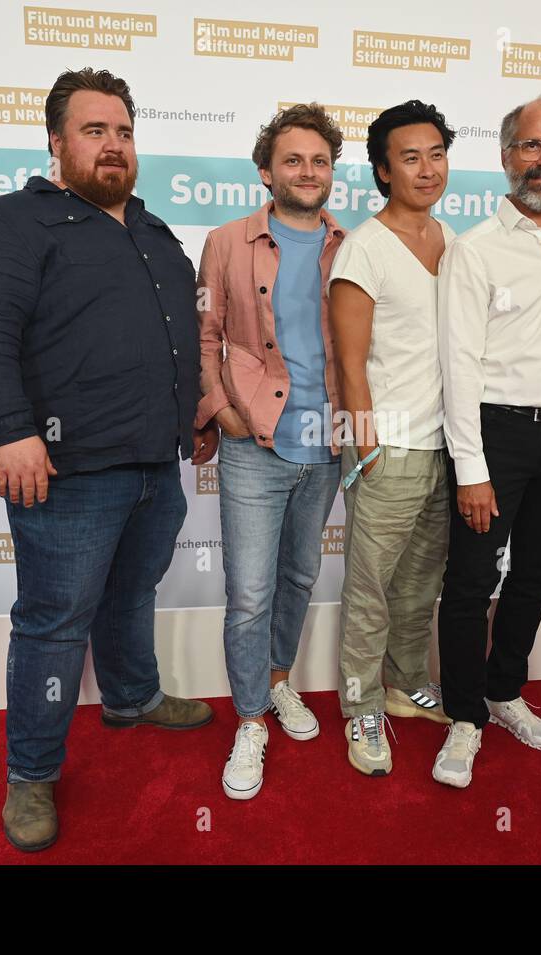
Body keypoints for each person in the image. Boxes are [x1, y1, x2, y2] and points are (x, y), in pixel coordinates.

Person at [0, 68, 217, 852]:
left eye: (124, 132)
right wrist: (9, 431)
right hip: (64, 473)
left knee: (133, 592)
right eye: (95, 131)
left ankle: (131, 697)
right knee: (53, 624)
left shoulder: (156, 234)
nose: (113, 145)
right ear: (57, 143)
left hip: (153, 466)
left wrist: (193, 413)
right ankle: (30, 773)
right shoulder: (7, 225)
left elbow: (174, 343)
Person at [432, 96, 541, 788]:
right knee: (472, 579)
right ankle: (465, 716)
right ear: (507, 156)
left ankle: (505, 690)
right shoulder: (475, 249)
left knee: (536, 573)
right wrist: (471, 468)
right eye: (532, 146)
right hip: (494, 435)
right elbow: (458, 367)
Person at [195, 104, 347, 800]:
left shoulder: (354, 244)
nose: (307, 171)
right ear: (267, 171)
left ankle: (281, 680)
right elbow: (204, 335)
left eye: (319, 161)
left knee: (297, 577)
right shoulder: (227, 241)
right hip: (254, 444)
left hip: (327, 447)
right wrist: (220, 409)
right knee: (249, 594)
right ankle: (250, 718)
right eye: (293, 160)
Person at [329, 100, 457, 776]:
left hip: (444, 446)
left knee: (419, 583)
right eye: (411, 157)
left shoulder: (451, 239)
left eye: (436, 153)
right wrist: (367, 447)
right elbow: (351, 361)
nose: (427, 168)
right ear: (383, 169)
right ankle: (360, 708)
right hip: (388, 447)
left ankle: (407, 686)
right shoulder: (364, 247)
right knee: (371, 586)